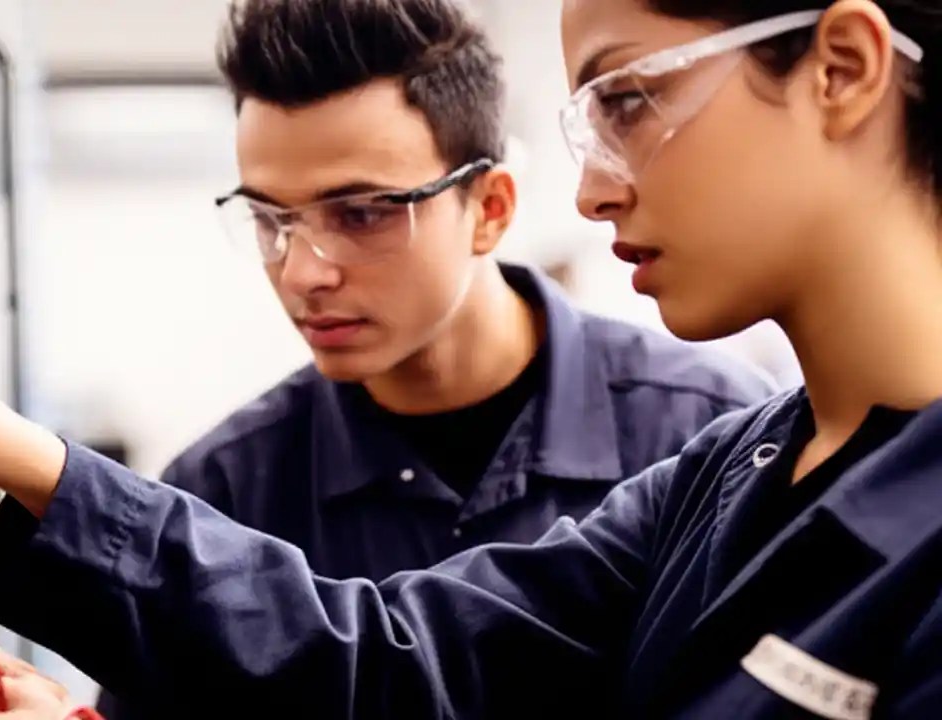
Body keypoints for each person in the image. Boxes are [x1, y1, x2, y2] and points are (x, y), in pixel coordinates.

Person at [0, 0, 942, 716]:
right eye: (271, 219)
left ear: (839, 68)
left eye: (629, 101)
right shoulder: (733, 474)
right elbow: (395, 667)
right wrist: (14, 452)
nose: (593, 187)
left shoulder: (714, 434)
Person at [113, 1, 773, 715]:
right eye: (271, 219)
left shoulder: (713, 441)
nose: (303, 272)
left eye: (360, 213)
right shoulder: (223, 495)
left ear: (489, 209)